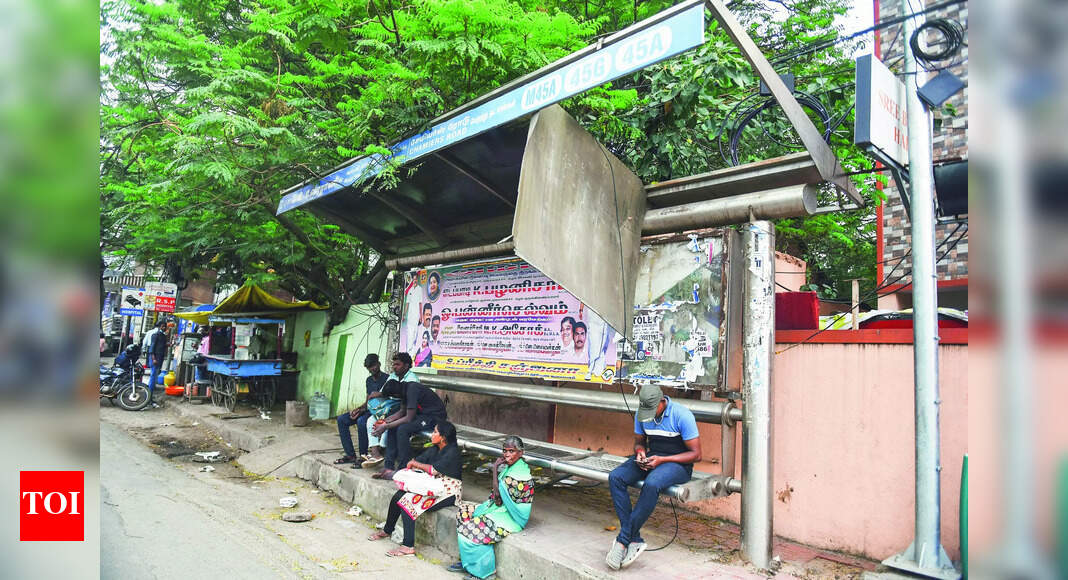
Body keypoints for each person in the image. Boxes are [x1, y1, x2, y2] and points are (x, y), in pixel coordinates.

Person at [605, 384, 701, 570]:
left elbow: (696, 454)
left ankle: (623, 541)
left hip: (678, 464)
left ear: (662, 402)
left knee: (652, 483)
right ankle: (634, 539)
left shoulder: (682, 415)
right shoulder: (642, 413)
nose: (647, 415)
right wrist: (640, 453)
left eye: (651, 410)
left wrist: (663, 460)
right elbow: (639, 442)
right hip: (652, 458)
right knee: (616, 477)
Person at [367, 421, 463, 556]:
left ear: (443, 437)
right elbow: (418, 460)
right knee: (398, 496)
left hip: (448, 491)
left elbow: (433, 469)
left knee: (408, 503)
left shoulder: (452, 452)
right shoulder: (436, 448)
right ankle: (387, 530)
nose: (432, 434)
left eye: (435, 432)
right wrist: (412, 465)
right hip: (433, 485)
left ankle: (408, 546)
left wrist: (415, 464)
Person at [447, 435, 534, 580]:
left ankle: (484, 573)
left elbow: (498, 499)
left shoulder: (519, 474)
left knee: (469, 530)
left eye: (511, 451)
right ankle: (468, 562)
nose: (507, 454)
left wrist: (494, 469)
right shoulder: (511, 468)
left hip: (511, 518)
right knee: (463, 514)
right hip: (499, 509)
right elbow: (497, 497)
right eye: (505, 450)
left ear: (521, 453)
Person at [371, 352, 448, 480]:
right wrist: (384, 422)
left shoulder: (412, 389)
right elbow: (401, 412)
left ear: (396, 394)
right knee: (393, 428)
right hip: (423, 415)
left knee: (403, 429)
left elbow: (408, 418)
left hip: (434, 417)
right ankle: (388, 467)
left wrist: (385, 426)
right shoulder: (403, 389)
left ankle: (403, 470)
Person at [335, 353, 389, 466]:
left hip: (380, 412)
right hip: (368, 410)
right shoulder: (369, 380)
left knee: (361, 422)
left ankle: (363, 456)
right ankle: (350, 455)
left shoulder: (387, 379)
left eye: (374, 365)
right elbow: (367, 401)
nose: (372, 369)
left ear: (379, 364)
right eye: (369, 367)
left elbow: (388, 401)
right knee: (342, 419)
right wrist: (358, 409)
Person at [146, 320, 169, 403]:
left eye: (165, 326)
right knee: (153, 376)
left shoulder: (163, 336)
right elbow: (152, 348)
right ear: (160, 326)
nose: (164, 327)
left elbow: (162, 346)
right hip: (155, 359)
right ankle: (149, 396)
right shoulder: (155, 335)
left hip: (160, 358)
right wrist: (153, 359)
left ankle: (150, 396)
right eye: (163, 326)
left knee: (154, 377)